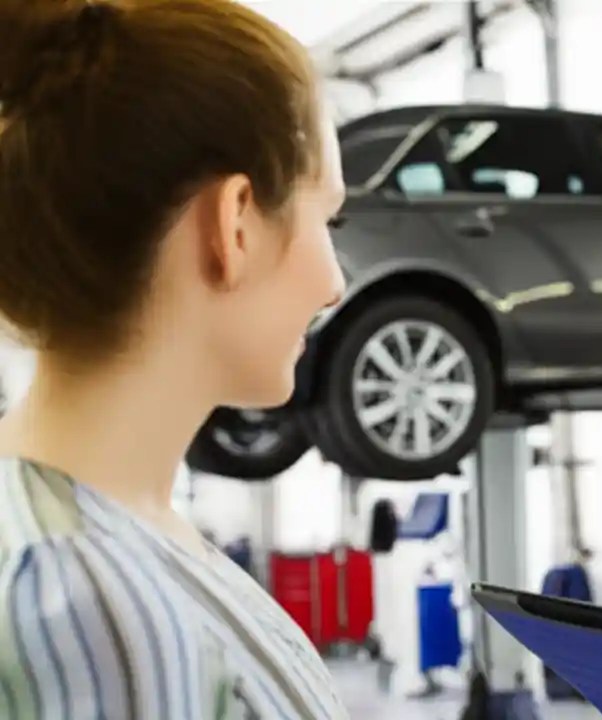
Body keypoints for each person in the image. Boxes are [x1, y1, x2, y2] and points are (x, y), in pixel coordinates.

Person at [0, 1, 348, 718]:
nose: (336, 281)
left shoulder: (116, 540)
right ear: (237, 223)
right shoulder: (84, 600)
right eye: (326, 217)